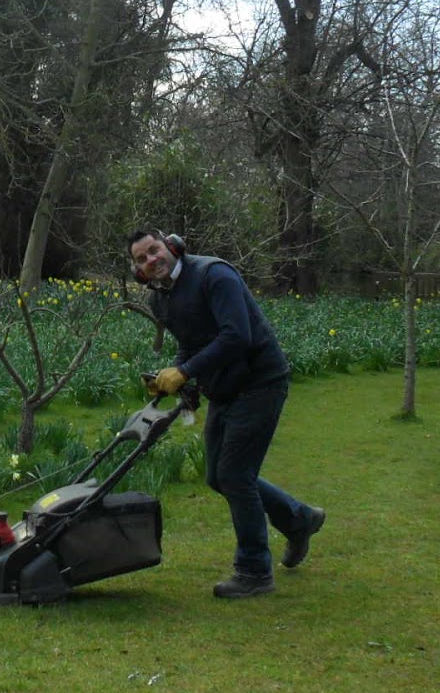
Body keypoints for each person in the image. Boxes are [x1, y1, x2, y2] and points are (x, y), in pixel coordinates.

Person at [128, 229, 325, 599]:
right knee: (219, 476)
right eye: (141, 259)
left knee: (235, 475)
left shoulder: (214, 275)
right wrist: (177, 379)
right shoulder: (162, 301)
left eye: (153, 250)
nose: (151, 260)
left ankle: (254, 571)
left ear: (170, 246)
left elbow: (238, 336)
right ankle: (299, 521)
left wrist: (185, 372)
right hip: (224, 388)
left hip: (261, 380)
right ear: (138, 270)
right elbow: (191, 341)